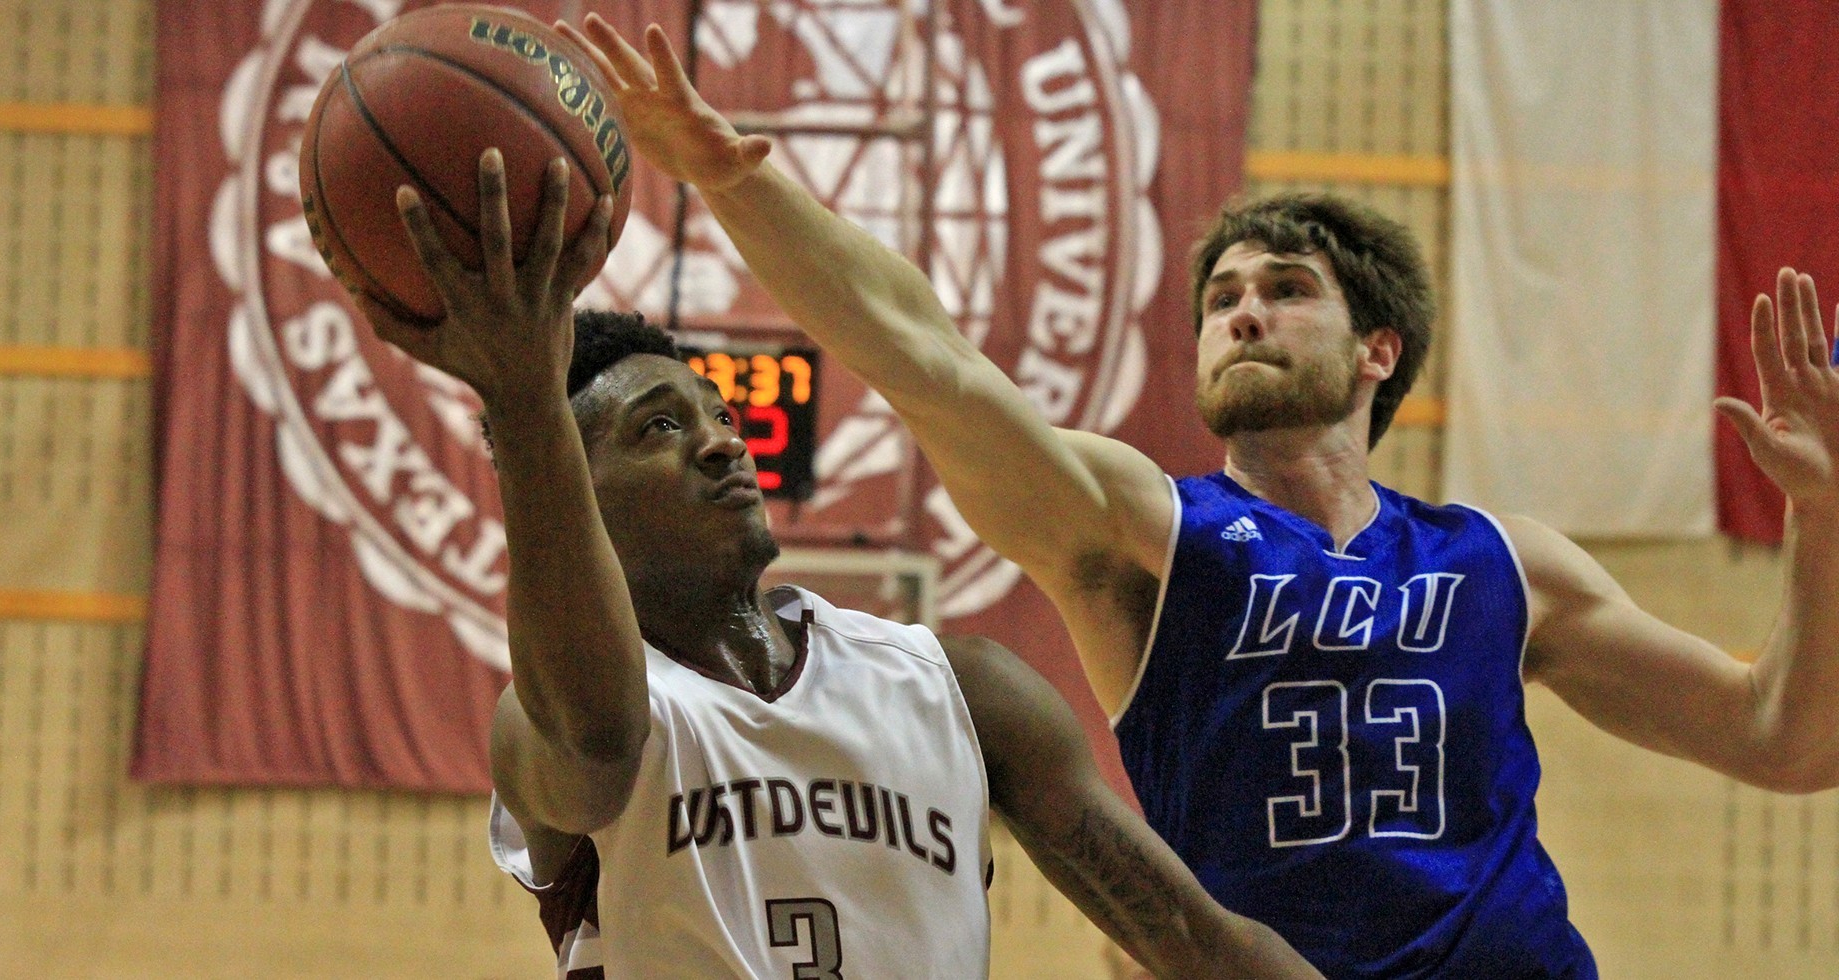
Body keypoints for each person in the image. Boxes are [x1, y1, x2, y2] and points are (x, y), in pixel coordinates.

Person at [561, 15, 1839, 979]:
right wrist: (737, 180)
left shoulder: (1505, 564)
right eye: (1220, 296)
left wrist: (1824, 512)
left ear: (1377, 349)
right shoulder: (1146, 530)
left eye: (1282, 286)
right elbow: (927, 362)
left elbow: (1785, 734)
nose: (1239, 309)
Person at [339, 143, 1316, 978]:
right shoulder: (577, 718)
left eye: (720, 416)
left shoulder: (958, 687)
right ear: (572, 486)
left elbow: (1196, 938)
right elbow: (592, 744)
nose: (722, 442)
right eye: (658, 427)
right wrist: (521, 396)